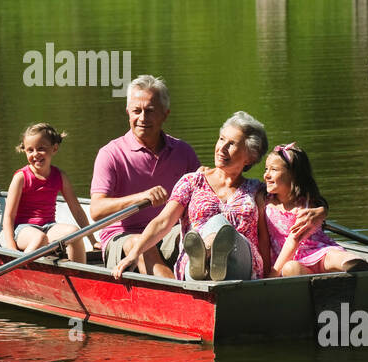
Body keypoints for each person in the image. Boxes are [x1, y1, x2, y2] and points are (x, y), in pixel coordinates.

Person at [113, 112, 271, 282]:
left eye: (231, 144)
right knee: (209, 234)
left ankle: (207, 249)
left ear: (249, 157)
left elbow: (266, 238)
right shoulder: (192, 181)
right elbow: (163, 221)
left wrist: (269, 279)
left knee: (220, 224)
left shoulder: (257, 191)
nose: (222, 148)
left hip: (240, 266)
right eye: (221, 139)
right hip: (194, 271)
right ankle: (202, 259)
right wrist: (134, 254)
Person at [90, 75, 200, 279]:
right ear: (127, 113)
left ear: (165, 114)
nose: (142, 118)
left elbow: (203, 196)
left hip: (167, 232)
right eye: (136, 111)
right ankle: (178, 298)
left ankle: (211, 285)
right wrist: (141, 198)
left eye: (150, 111)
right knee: (142, 245)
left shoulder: (183, 152)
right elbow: (96, 211)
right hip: (123, 237)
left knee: (198, 236)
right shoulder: (111, 153)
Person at [262, 142, 368, 275]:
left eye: (273, 170)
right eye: (266, 169)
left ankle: (363, 268)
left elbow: (294, 239)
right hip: (291, 261)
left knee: (334, 256)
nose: (266, 175)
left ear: (293, 175)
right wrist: (273, 271)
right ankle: (320, 286)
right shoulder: (266, 200)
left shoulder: (305, 204)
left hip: (318, 252)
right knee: (290, 268)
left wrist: (273, 274)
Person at [0, 123, 90, 263]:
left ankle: (80, 277)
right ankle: (19, 268)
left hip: (49, 227)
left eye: (41, 149)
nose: (35, 154)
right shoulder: (21, 178)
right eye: (30, 150)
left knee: (74, 233)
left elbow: (77, 210)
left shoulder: (60, 176)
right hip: (24, 229)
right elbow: (9, 217)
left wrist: (92, 239)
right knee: (39, 238)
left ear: (54, 148)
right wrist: (11, 249)